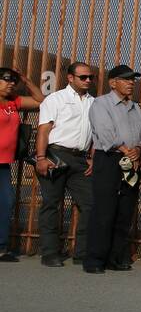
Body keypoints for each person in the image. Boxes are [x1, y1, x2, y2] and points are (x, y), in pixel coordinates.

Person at [84, 64, 141, 274]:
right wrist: (125, 149)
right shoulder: (100, 104)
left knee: (125, 209)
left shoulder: (135, 108)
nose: (131, 83)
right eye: (126, 79)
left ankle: (116, 257)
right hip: (110, 159)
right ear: (113, 83)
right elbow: (104, 132)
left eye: (133, 79)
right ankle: (95, 259)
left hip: (132, 162)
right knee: (104, 210)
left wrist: (139, 149)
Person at [34, 61, 96, 266]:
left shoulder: (93, 103)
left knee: (90, 203)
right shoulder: (55, 99)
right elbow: (44, 130)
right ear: (70, 78)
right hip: (55, 154)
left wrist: (92, 157)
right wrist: (41, 158)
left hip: (80, 158)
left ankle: (82, 253)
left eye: (90, 77)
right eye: (83, 77)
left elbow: (96, 134)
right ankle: (50, 253)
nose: (88, 80)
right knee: (52, 203)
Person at [0, 67, 45, 261]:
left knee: (6, 203)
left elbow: (40, 101)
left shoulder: (13, 103)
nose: (10, 83)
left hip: (4, 163)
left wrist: (26, 81)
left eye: (13, 80)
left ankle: (1, 247)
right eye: (5, 79)